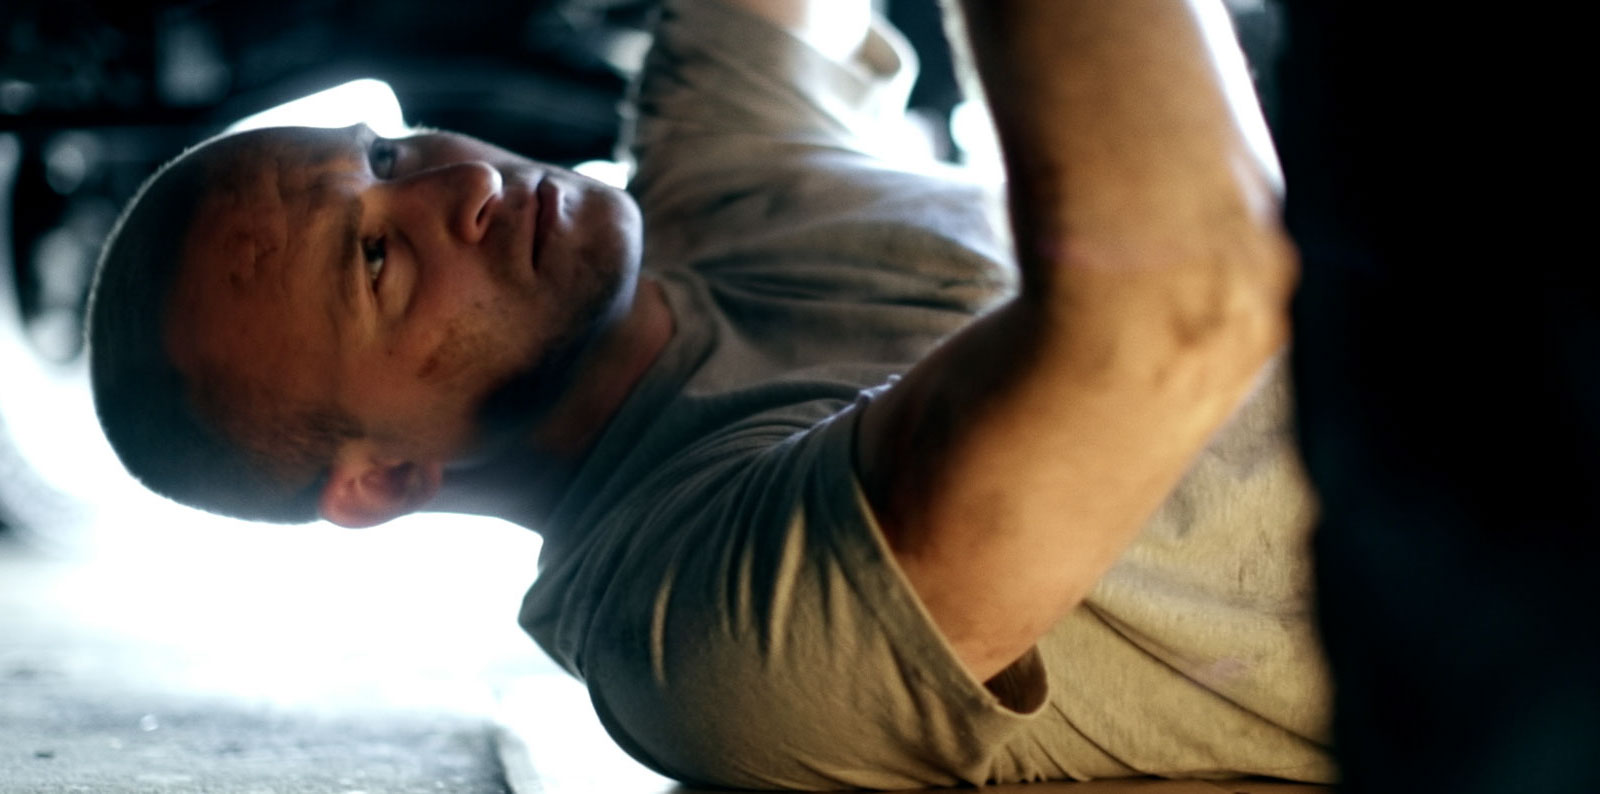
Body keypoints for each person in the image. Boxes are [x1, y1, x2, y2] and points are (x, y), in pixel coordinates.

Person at [87, 0, 1333, 788]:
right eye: (377, 261)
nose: (459, 184)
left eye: (386, 153)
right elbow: (1179, 311)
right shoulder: (703, 635)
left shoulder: (708, 171)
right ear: (381, 479)